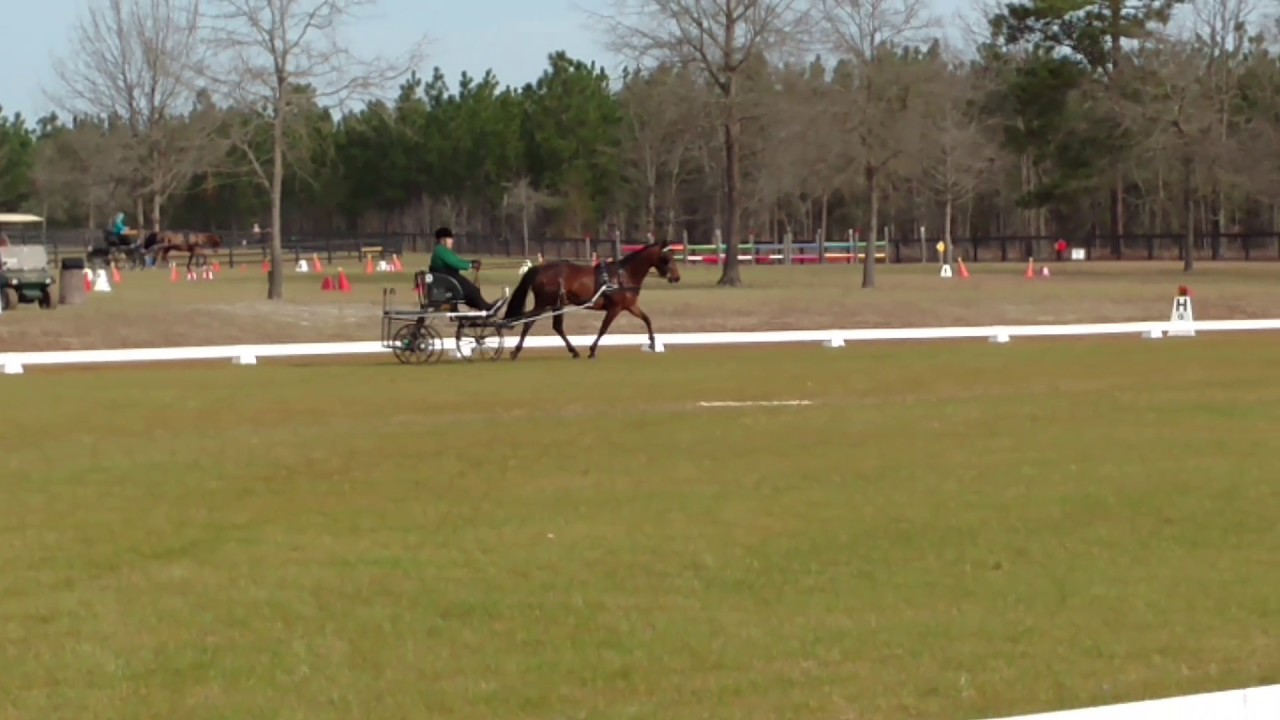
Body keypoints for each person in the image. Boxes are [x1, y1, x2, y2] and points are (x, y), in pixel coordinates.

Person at [429, 226, 497, 312]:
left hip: (448, 278)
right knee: (472, 290)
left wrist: (470, 263)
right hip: (449, 280)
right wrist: (471, 265)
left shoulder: (441, 251)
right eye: (450, 239)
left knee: (471, 290)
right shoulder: (441, 250)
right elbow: (456, 263)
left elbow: (457, 261)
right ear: (442, 240)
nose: (452, 241)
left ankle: (483, 307)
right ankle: (486, 308)